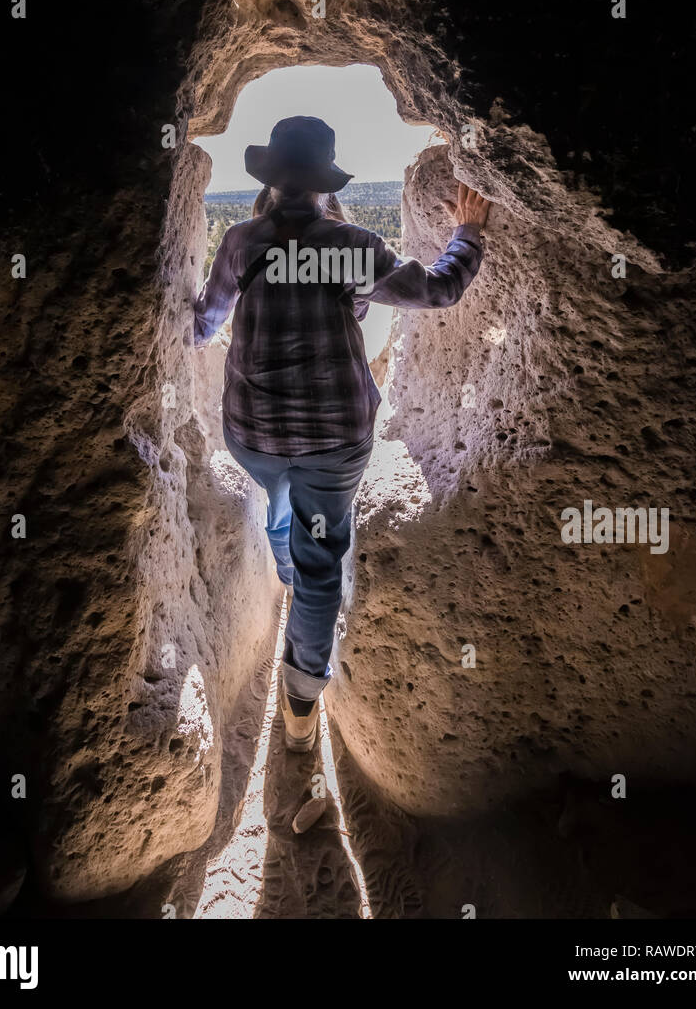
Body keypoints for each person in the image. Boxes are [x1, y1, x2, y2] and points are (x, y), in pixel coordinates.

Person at [194, 116, 489, 750]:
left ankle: (285, 568)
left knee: (277, 508)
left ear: (270, 179)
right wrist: (468, 231)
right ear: (326, 184)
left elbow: (200, 325)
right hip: (334, 438)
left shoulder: (241, 242)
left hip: (255, 431)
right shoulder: (353, 245)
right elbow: (439, 291)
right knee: (323, 556)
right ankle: (301, 707)